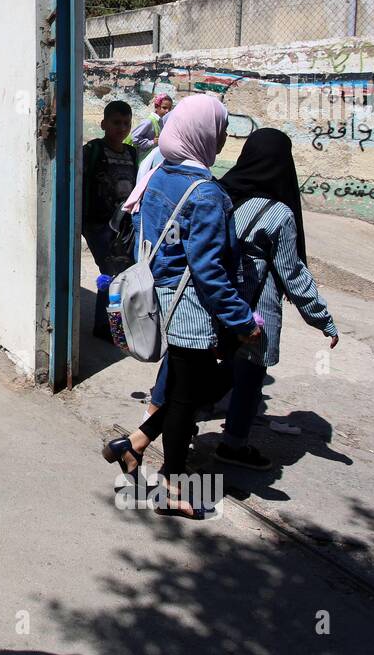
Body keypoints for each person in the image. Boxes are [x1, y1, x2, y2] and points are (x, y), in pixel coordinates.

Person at [99, 95, 261, 519]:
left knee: (187, 389)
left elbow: (145, 241)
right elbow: (209, 268)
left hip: (162, 298)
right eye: (221, 131)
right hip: (190, 308)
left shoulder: (158, 175)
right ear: (202, 134)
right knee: (190, 397)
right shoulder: (207, 193)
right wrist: (242, 320)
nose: (224, 138)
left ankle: (133, 445)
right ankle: (172, 486)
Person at [211, 128, 339, 463]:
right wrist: (323, 319)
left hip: (215, 301)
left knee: (215, 363)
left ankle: (174, 416)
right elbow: (292, 273)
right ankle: (234, 445)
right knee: (251, 377)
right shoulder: (279, 213)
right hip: (257, 312)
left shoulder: (222, 194)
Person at [83, 101, 138, 337]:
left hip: (123, 224)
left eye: (126, 123)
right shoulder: (94, 150)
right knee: (110, 270)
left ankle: (114, 322)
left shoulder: (131, 153)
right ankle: (106, 326)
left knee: (122, 271)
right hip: (98, 224)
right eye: (116, 122)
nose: (122, 128)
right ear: (104, 123)